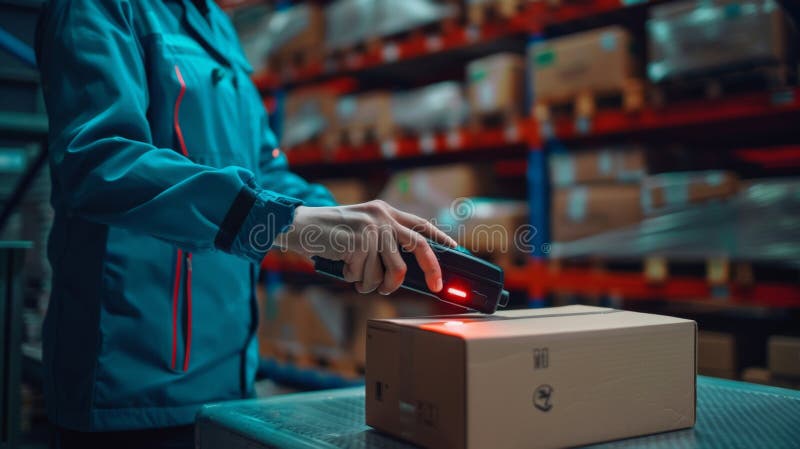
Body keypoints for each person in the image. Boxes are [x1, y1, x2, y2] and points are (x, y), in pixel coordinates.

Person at [35, 1, 456, 447]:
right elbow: (99, 163)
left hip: (228, 381)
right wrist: (280, 221)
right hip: (128, 391)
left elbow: (265, 170)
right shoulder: (100, 8)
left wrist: (345, 223)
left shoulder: (216, 25)